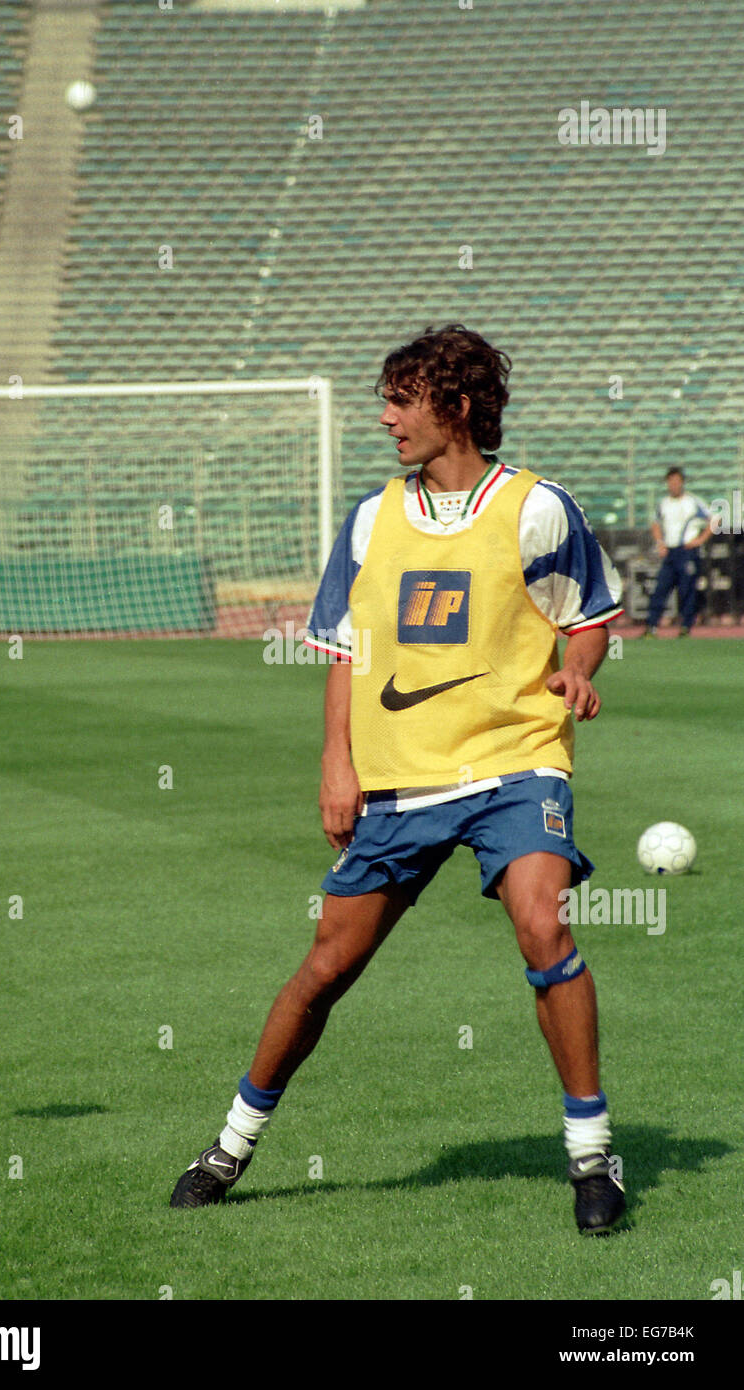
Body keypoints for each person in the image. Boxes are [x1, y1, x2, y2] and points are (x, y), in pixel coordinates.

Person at [169, 325, 626, 1234]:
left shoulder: (540, 508)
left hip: (513, 758)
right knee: (325, 968)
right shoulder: (372, 518)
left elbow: (589, 617)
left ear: (454, 406)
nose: (385, 420)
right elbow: (341, 653)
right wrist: (336, 765)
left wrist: (581, 668)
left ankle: (590, 1152)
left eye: (400, 401)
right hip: (396, 780)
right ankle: (230, 1143)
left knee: (542, 922)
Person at [644, 468, 713, 636]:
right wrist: (660, 543)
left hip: (687, 551)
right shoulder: (664, 503)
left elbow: (714, 521)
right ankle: (651, 627)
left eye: (677, 481)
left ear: (682, 482)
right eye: (670, 481)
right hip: (670, 551)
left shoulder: (693, 501)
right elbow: (655, 523)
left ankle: (685, 627)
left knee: (687, 589)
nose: (673, 485)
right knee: (661, 588)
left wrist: (699, 540)